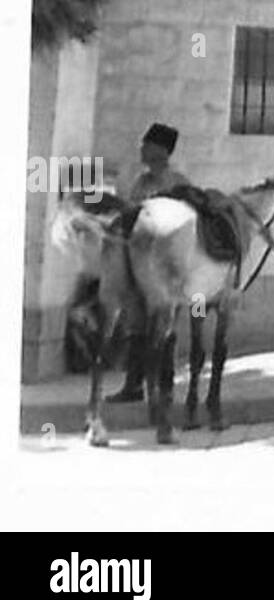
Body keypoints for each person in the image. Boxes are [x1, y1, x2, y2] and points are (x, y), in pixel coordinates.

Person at [107, 123, 192, 403]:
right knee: (136, 326)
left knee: (164, 328)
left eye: (147, 144)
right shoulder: (141, 183)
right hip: (136, 266)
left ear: (162, 150)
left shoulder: (178, 184)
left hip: (166, 273)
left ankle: (163, 390)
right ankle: (133, 386)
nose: (142, 149)